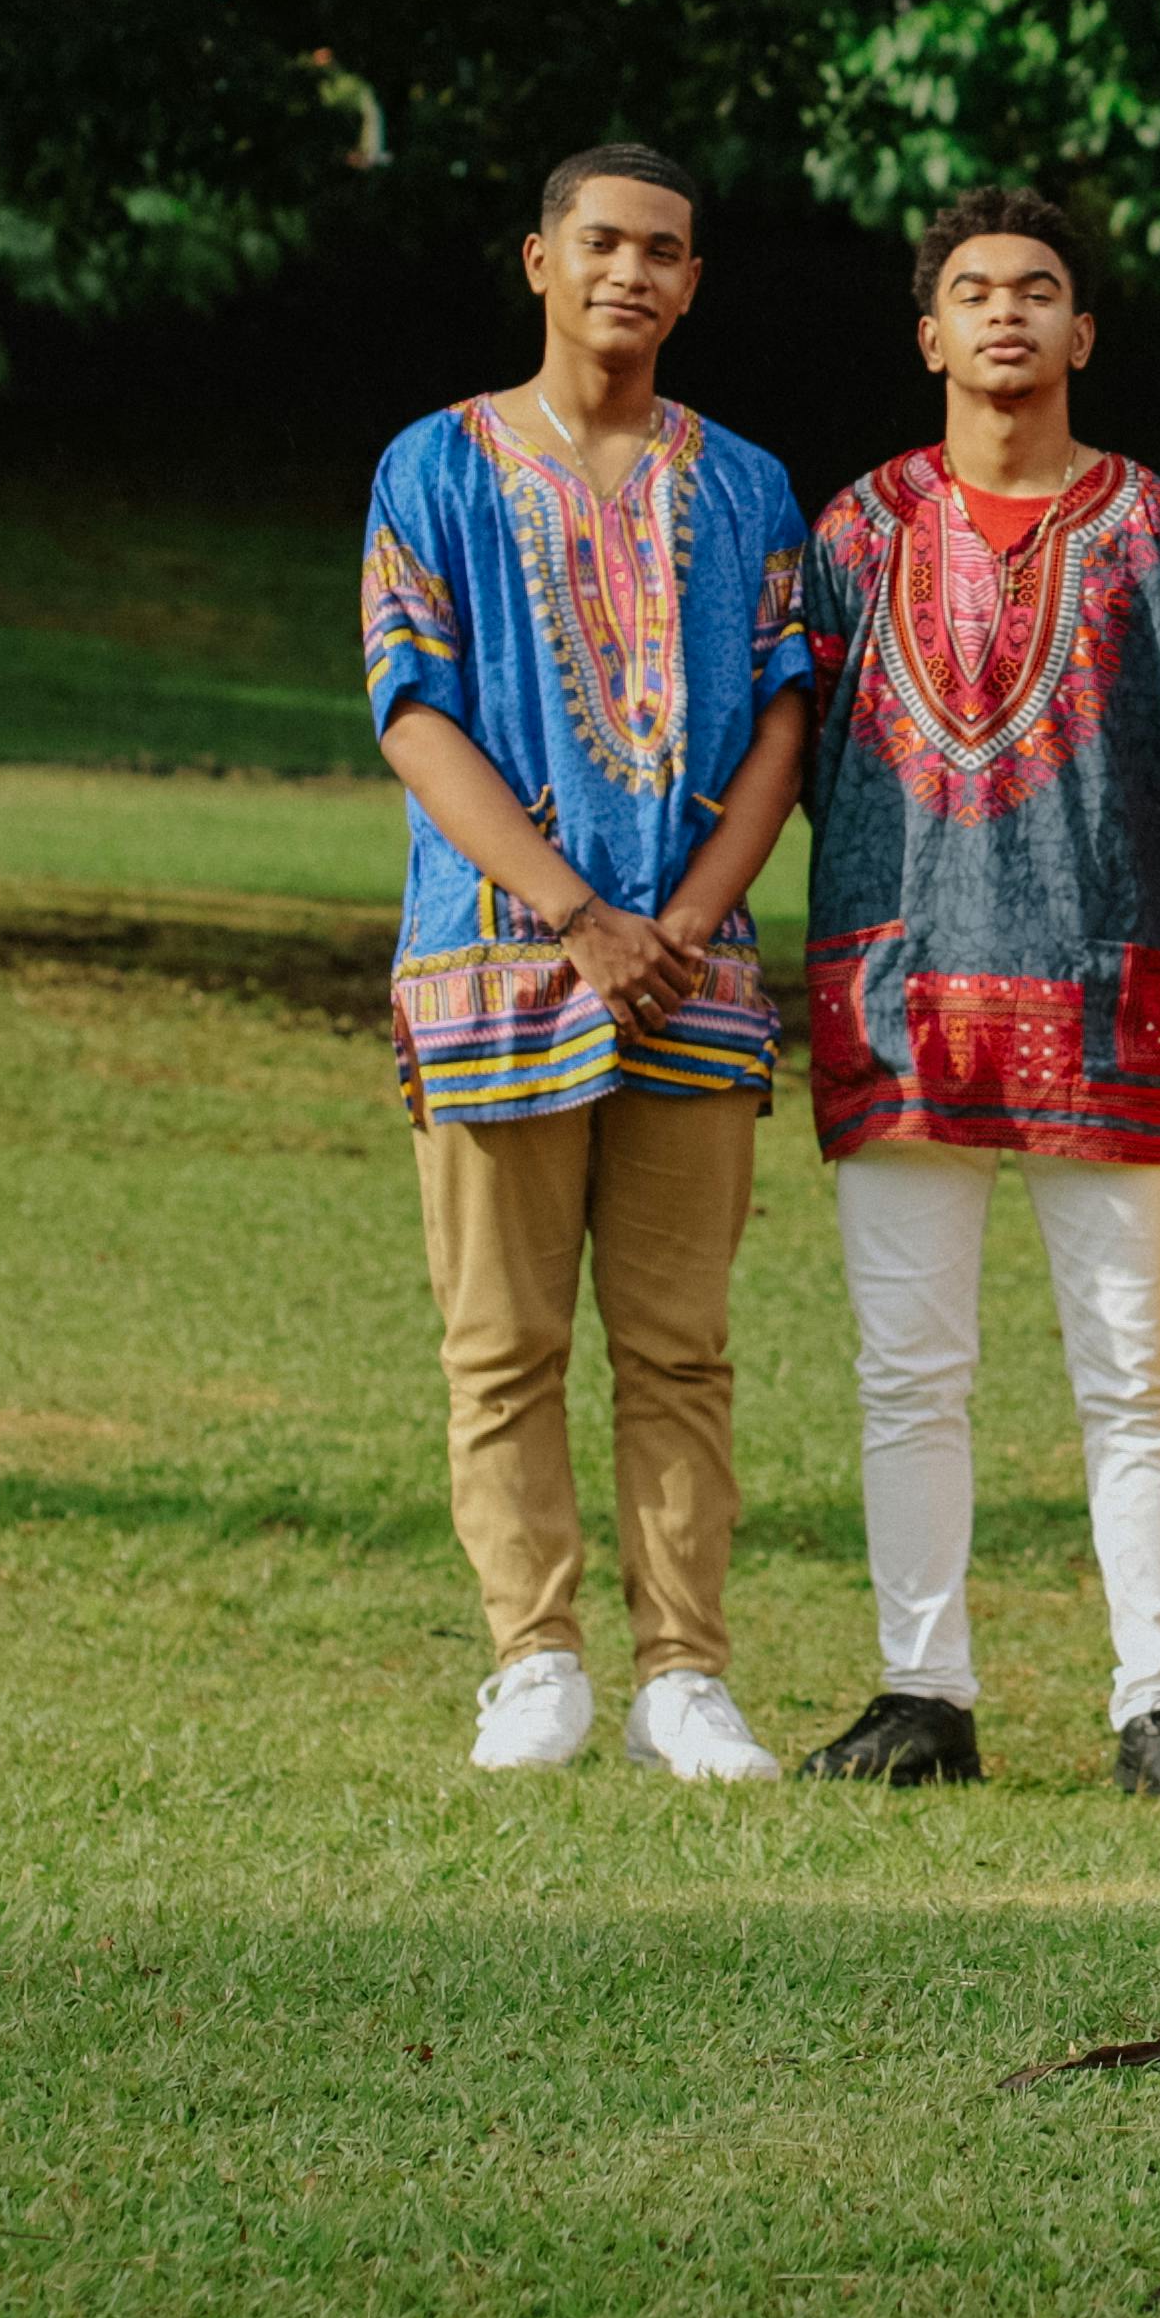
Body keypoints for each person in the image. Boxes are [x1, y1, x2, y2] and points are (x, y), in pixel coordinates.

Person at [357, 144, 815, 1786]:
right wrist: (575, 912)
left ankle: (684, 1672)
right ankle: (532, 1658)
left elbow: (782, 714)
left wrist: (680, 926)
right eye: (601, 241)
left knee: (680, 1343)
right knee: (503, 1342)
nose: (631, 271)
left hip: (693, 974)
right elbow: (414, 712)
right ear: (538, 260)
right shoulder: (437, 467)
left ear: (695, 285)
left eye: (665, 250)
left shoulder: (750, 484)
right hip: (494, 959)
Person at [782, 187, 1160, 1803]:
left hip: (1105, 999)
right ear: (929, 335)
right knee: (910, 1369)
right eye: (972, 292)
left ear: (1082, 333)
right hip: (898, 996)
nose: (1005, 316)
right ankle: (925, 1693)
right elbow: (805, 757)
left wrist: (1080, 882)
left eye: (1037, 290)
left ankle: (1158, 1708)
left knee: (1135, 1369)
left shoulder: (1158, 529)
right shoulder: (849, 535)